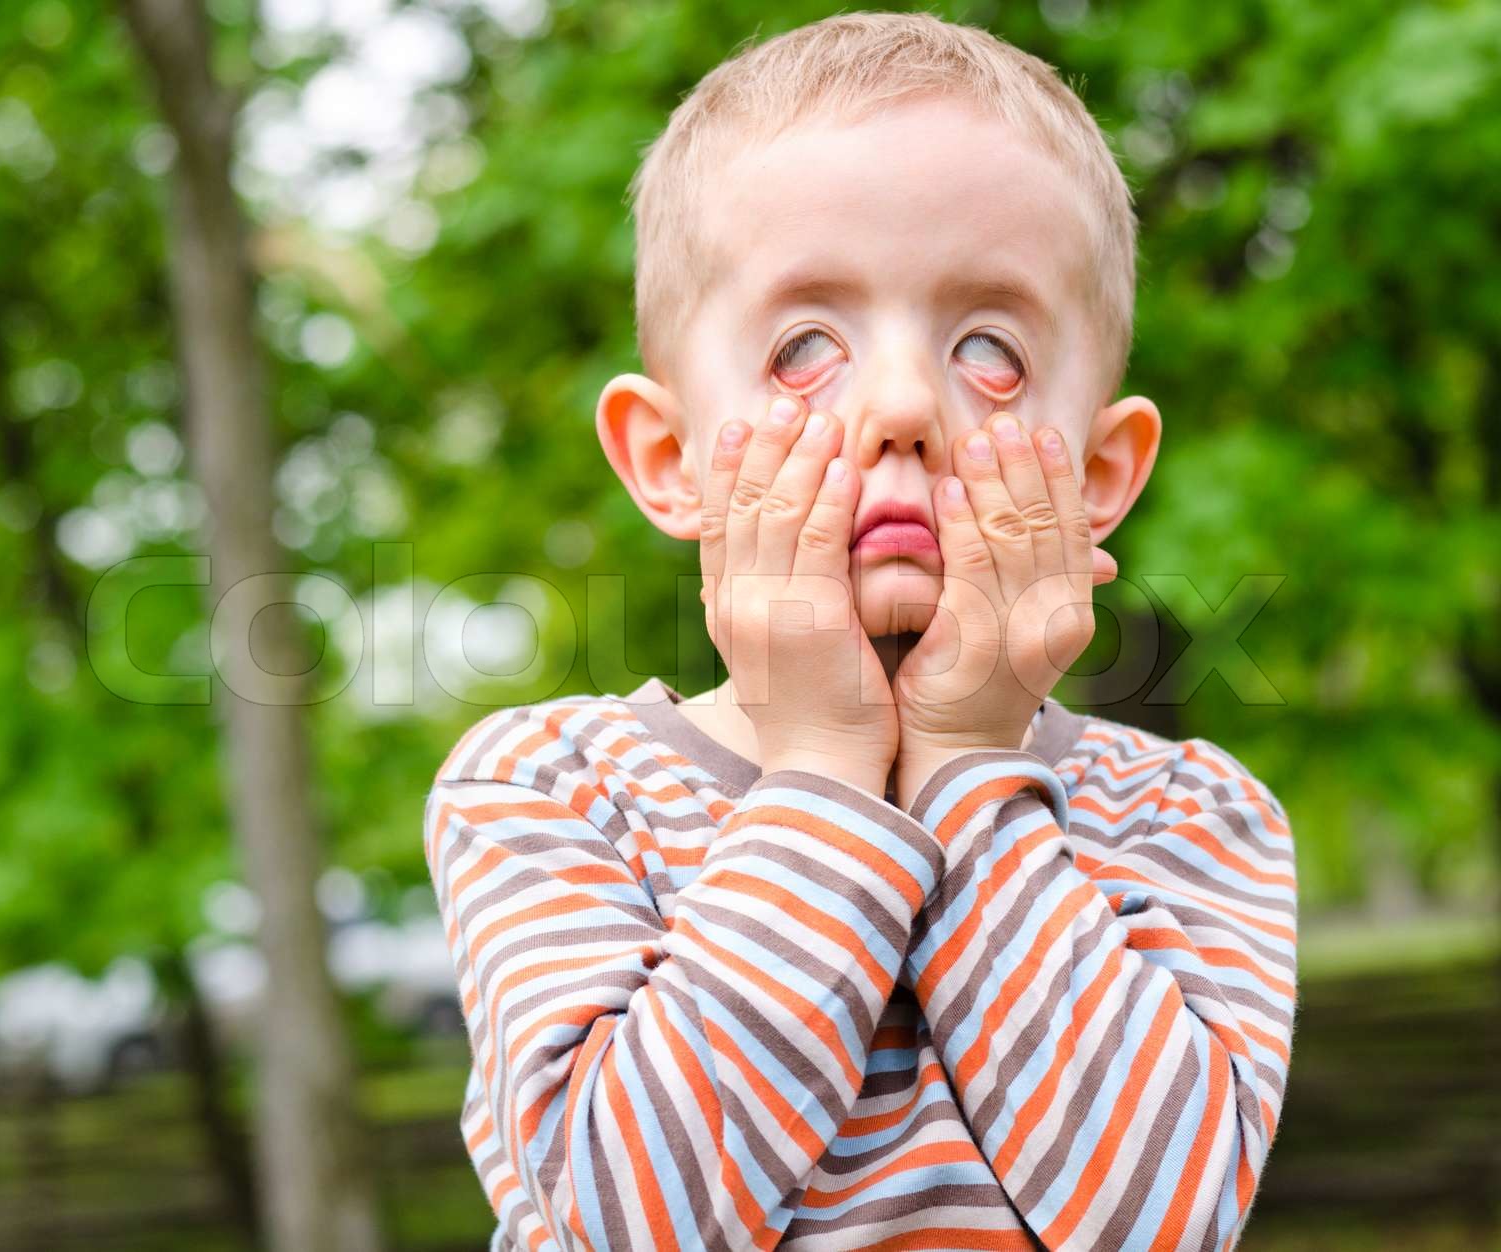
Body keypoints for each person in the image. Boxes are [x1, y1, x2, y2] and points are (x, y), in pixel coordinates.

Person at [424, 13, 1297, 1250]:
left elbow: (1158, 1220)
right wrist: (827, 764)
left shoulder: (1189, 817)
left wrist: (963, 758)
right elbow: (627, 1220)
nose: (899, 404)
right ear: (668, 461)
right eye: (804, 349)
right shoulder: (549, 791)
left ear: (1101, 473)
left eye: (989, 348)